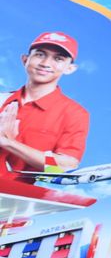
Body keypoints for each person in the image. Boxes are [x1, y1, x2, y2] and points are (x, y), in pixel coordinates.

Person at [0, 32, 88, 174]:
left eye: (58, 59)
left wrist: (10, 144)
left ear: (69, 68)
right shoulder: (1, 100)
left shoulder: (74, 114)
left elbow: (64, 168)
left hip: (16, 194)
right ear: (25, 59)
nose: (45, 63)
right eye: (40, 54)